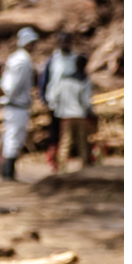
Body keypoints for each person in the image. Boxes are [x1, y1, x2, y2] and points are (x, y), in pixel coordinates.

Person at [43, 34, 94, 172]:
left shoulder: (65, 80)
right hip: (80, 115)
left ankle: (62, 167)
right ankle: (85, 167)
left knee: (65, 141)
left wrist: (56, 106)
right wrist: (90, 112)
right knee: (82, 142)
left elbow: (56, 95)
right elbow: (86, 101)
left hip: (65, 115)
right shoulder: (85, 82)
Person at [0, 28, 39, 181]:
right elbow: (14, 85)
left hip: (14, 105)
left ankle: (7, 172)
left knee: (11, 138)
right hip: (16, 105)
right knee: (13, 138)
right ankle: (7, 174)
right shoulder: (22, 60)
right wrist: (7, 96)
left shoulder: (17, 58)